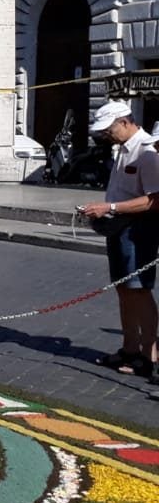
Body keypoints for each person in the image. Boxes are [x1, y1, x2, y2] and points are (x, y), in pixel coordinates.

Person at [78, 101, 159, 379]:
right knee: (124, 289)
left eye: (109, 130)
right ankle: (129, 348)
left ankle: (148, 355)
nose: (106, 135)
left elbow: (154, 200)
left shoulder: (147, 151)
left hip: (139, 229)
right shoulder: (123, 148)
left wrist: (110, 207)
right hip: (119, 227)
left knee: (139, 290)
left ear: (125, 122)